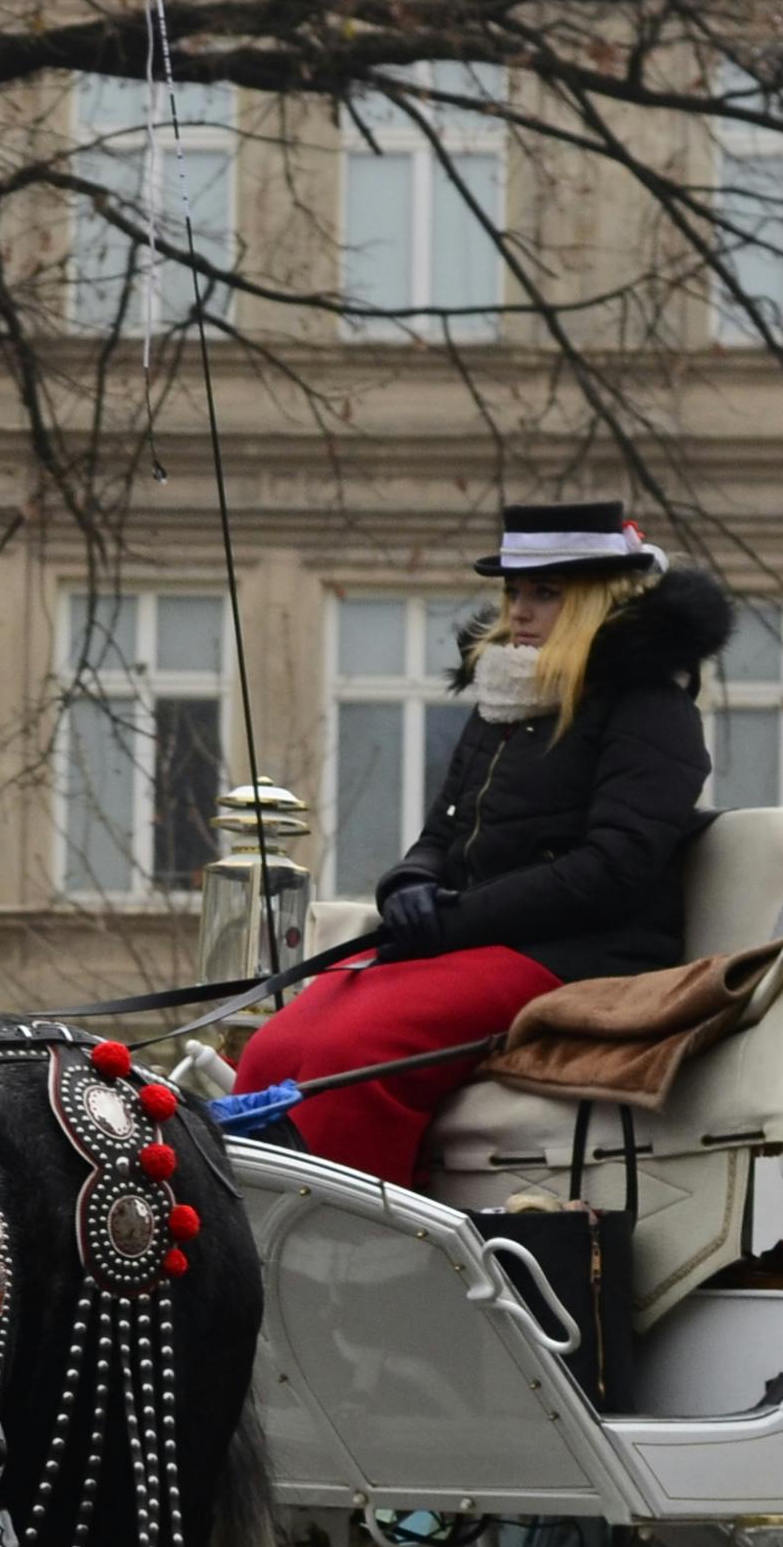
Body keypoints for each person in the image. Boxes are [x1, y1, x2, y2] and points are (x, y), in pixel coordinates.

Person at [236, 501, 724, 1184]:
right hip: (474, 943)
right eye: (514, 591)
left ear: (595, 602)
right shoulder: (504, 704)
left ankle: (343, 1258)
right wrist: (407, 886)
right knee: (276, 1046)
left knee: (357, 1051)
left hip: (581, 956)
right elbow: (442, 833)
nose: (519, 610)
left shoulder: (652, 709)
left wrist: (454, 919)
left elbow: (614, 869)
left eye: (545, 593)